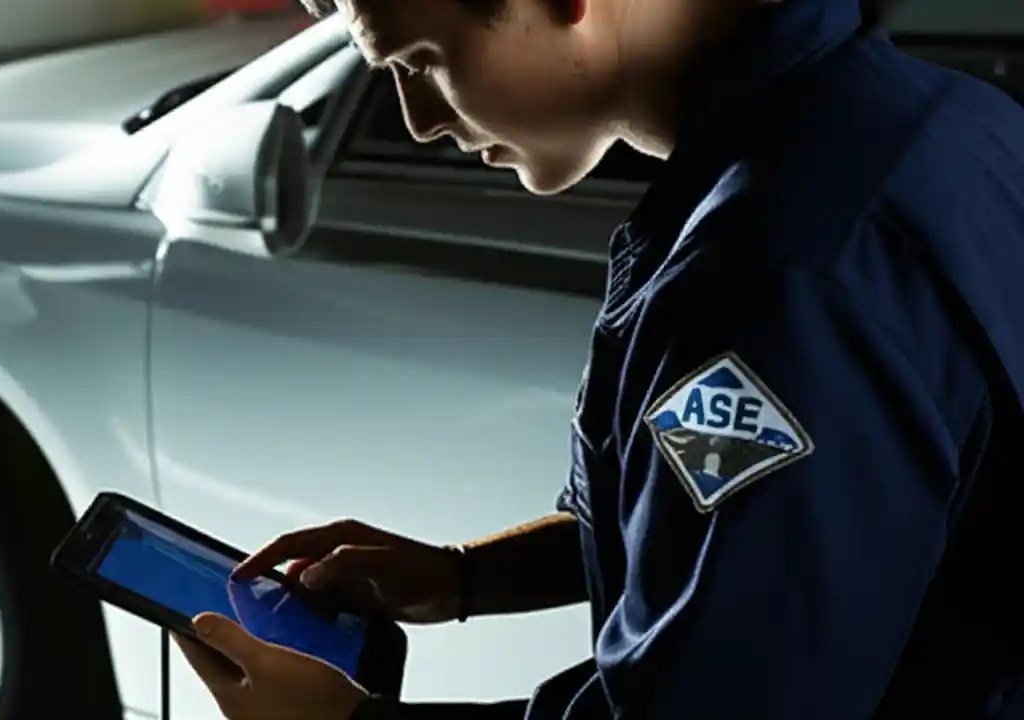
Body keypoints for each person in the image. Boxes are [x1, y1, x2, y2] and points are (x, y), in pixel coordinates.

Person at [172, 0, 1024, 716]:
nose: (420, 119)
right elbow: (746, 530)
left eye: (421, 62)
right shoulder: (943, 121)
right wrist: (464, 578)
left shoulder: (776, 283)